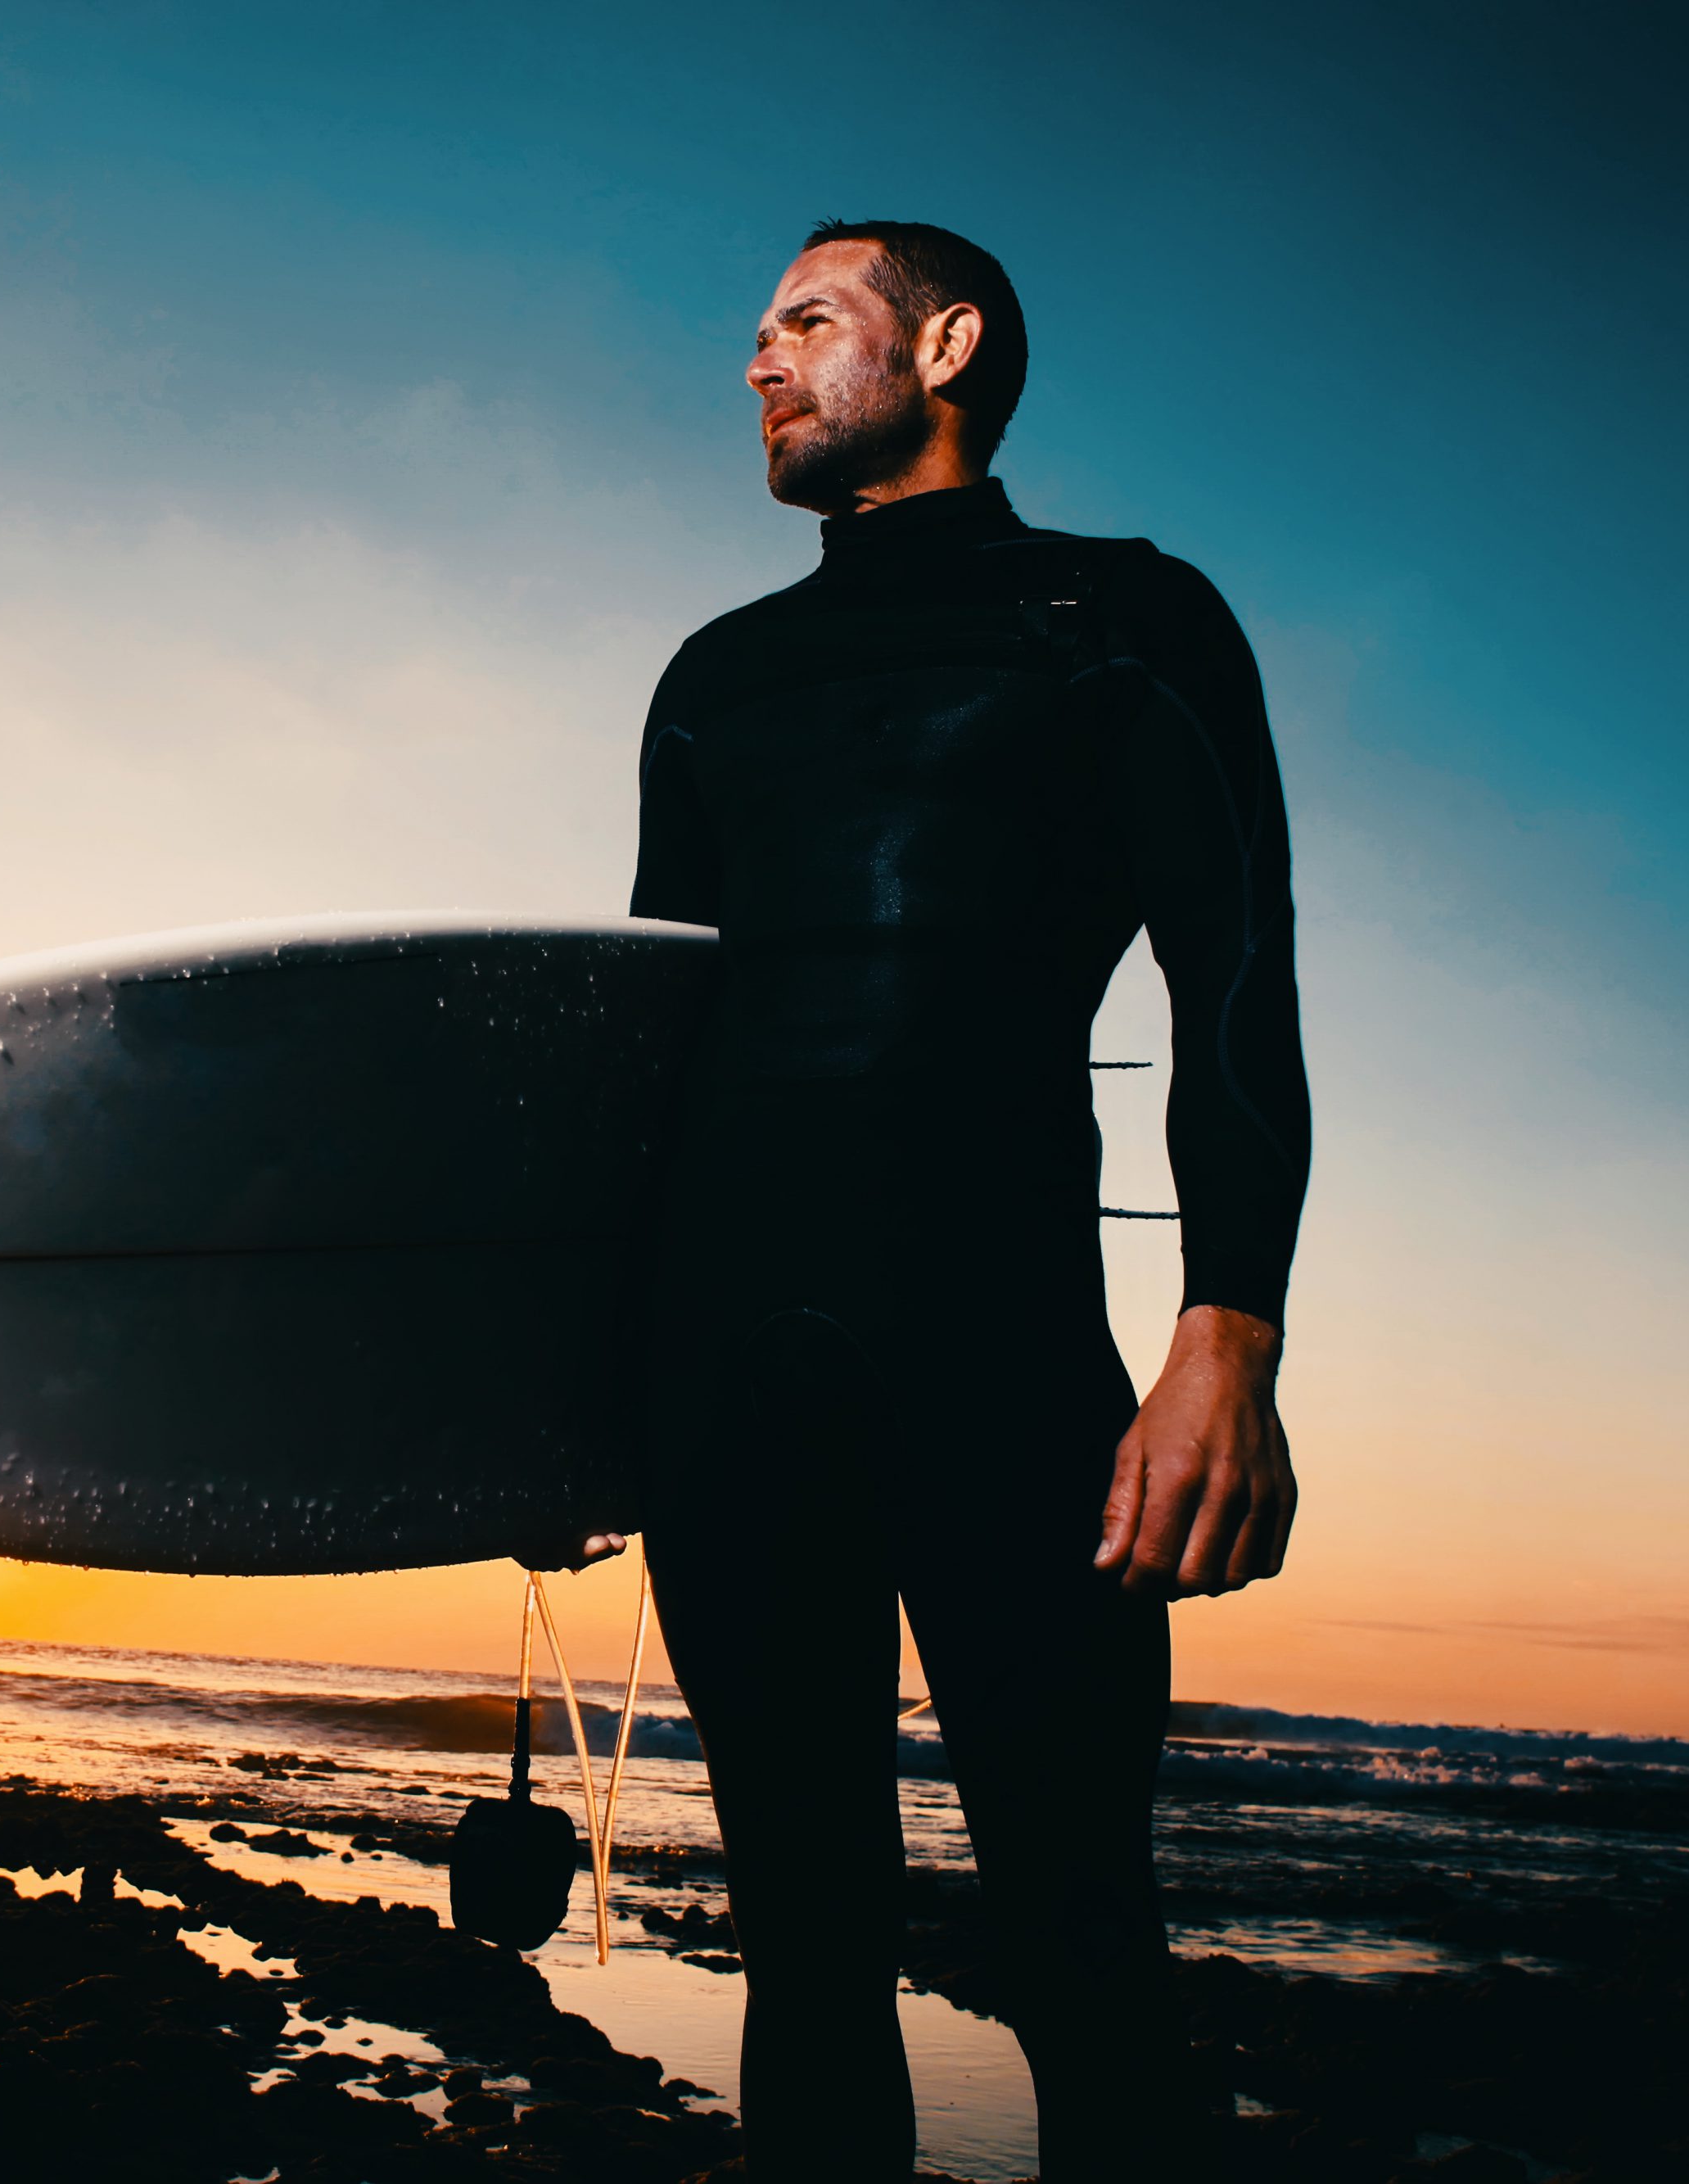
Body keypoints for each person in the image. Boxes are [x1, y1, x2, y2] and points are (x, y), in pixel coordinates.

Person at [626, 219, 1310, 2180]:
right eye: (753, 331)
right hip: (718, 1371)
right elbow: (649, 1041)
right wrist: (571, 1382)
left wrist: (1225, 1338)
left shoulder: (1120, 615)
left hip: (1006, 1365)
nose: (753, 362)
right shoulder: (719, 672)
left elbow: (1235, 984)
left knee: (1083, 1936)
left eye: (802, 322)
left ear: (943, 344)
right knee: (801, 1958)